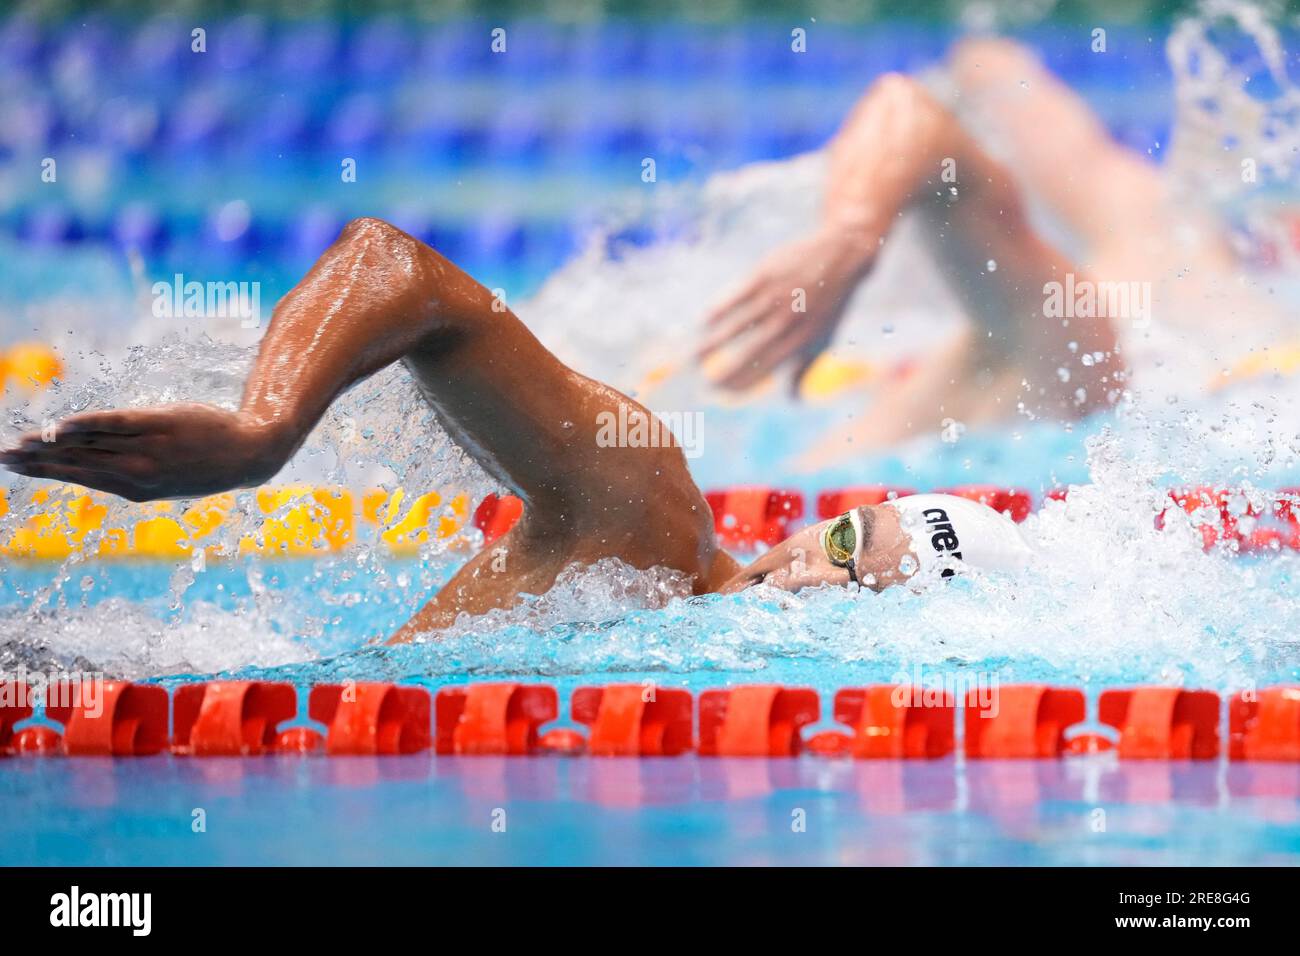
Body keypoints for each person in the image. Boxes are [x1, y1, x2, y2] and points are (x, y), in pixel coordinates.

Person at [0, 216, 1033, 642]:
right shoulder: (648, 519)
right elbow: (392, 267)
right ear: (836, 515)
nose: (814, 574)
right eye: (845, 543)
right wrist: (263, 431)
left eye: (861, 594)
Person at [699, 39, 1275, 467]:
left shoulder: (1060, 361)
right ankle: (991, 64)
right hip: (1184, 309)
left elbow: (910, 109)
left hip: (1152, 329)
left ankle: (991, 64)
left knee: (1140, 227)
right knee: (1133, 214)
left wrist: (849, 235)